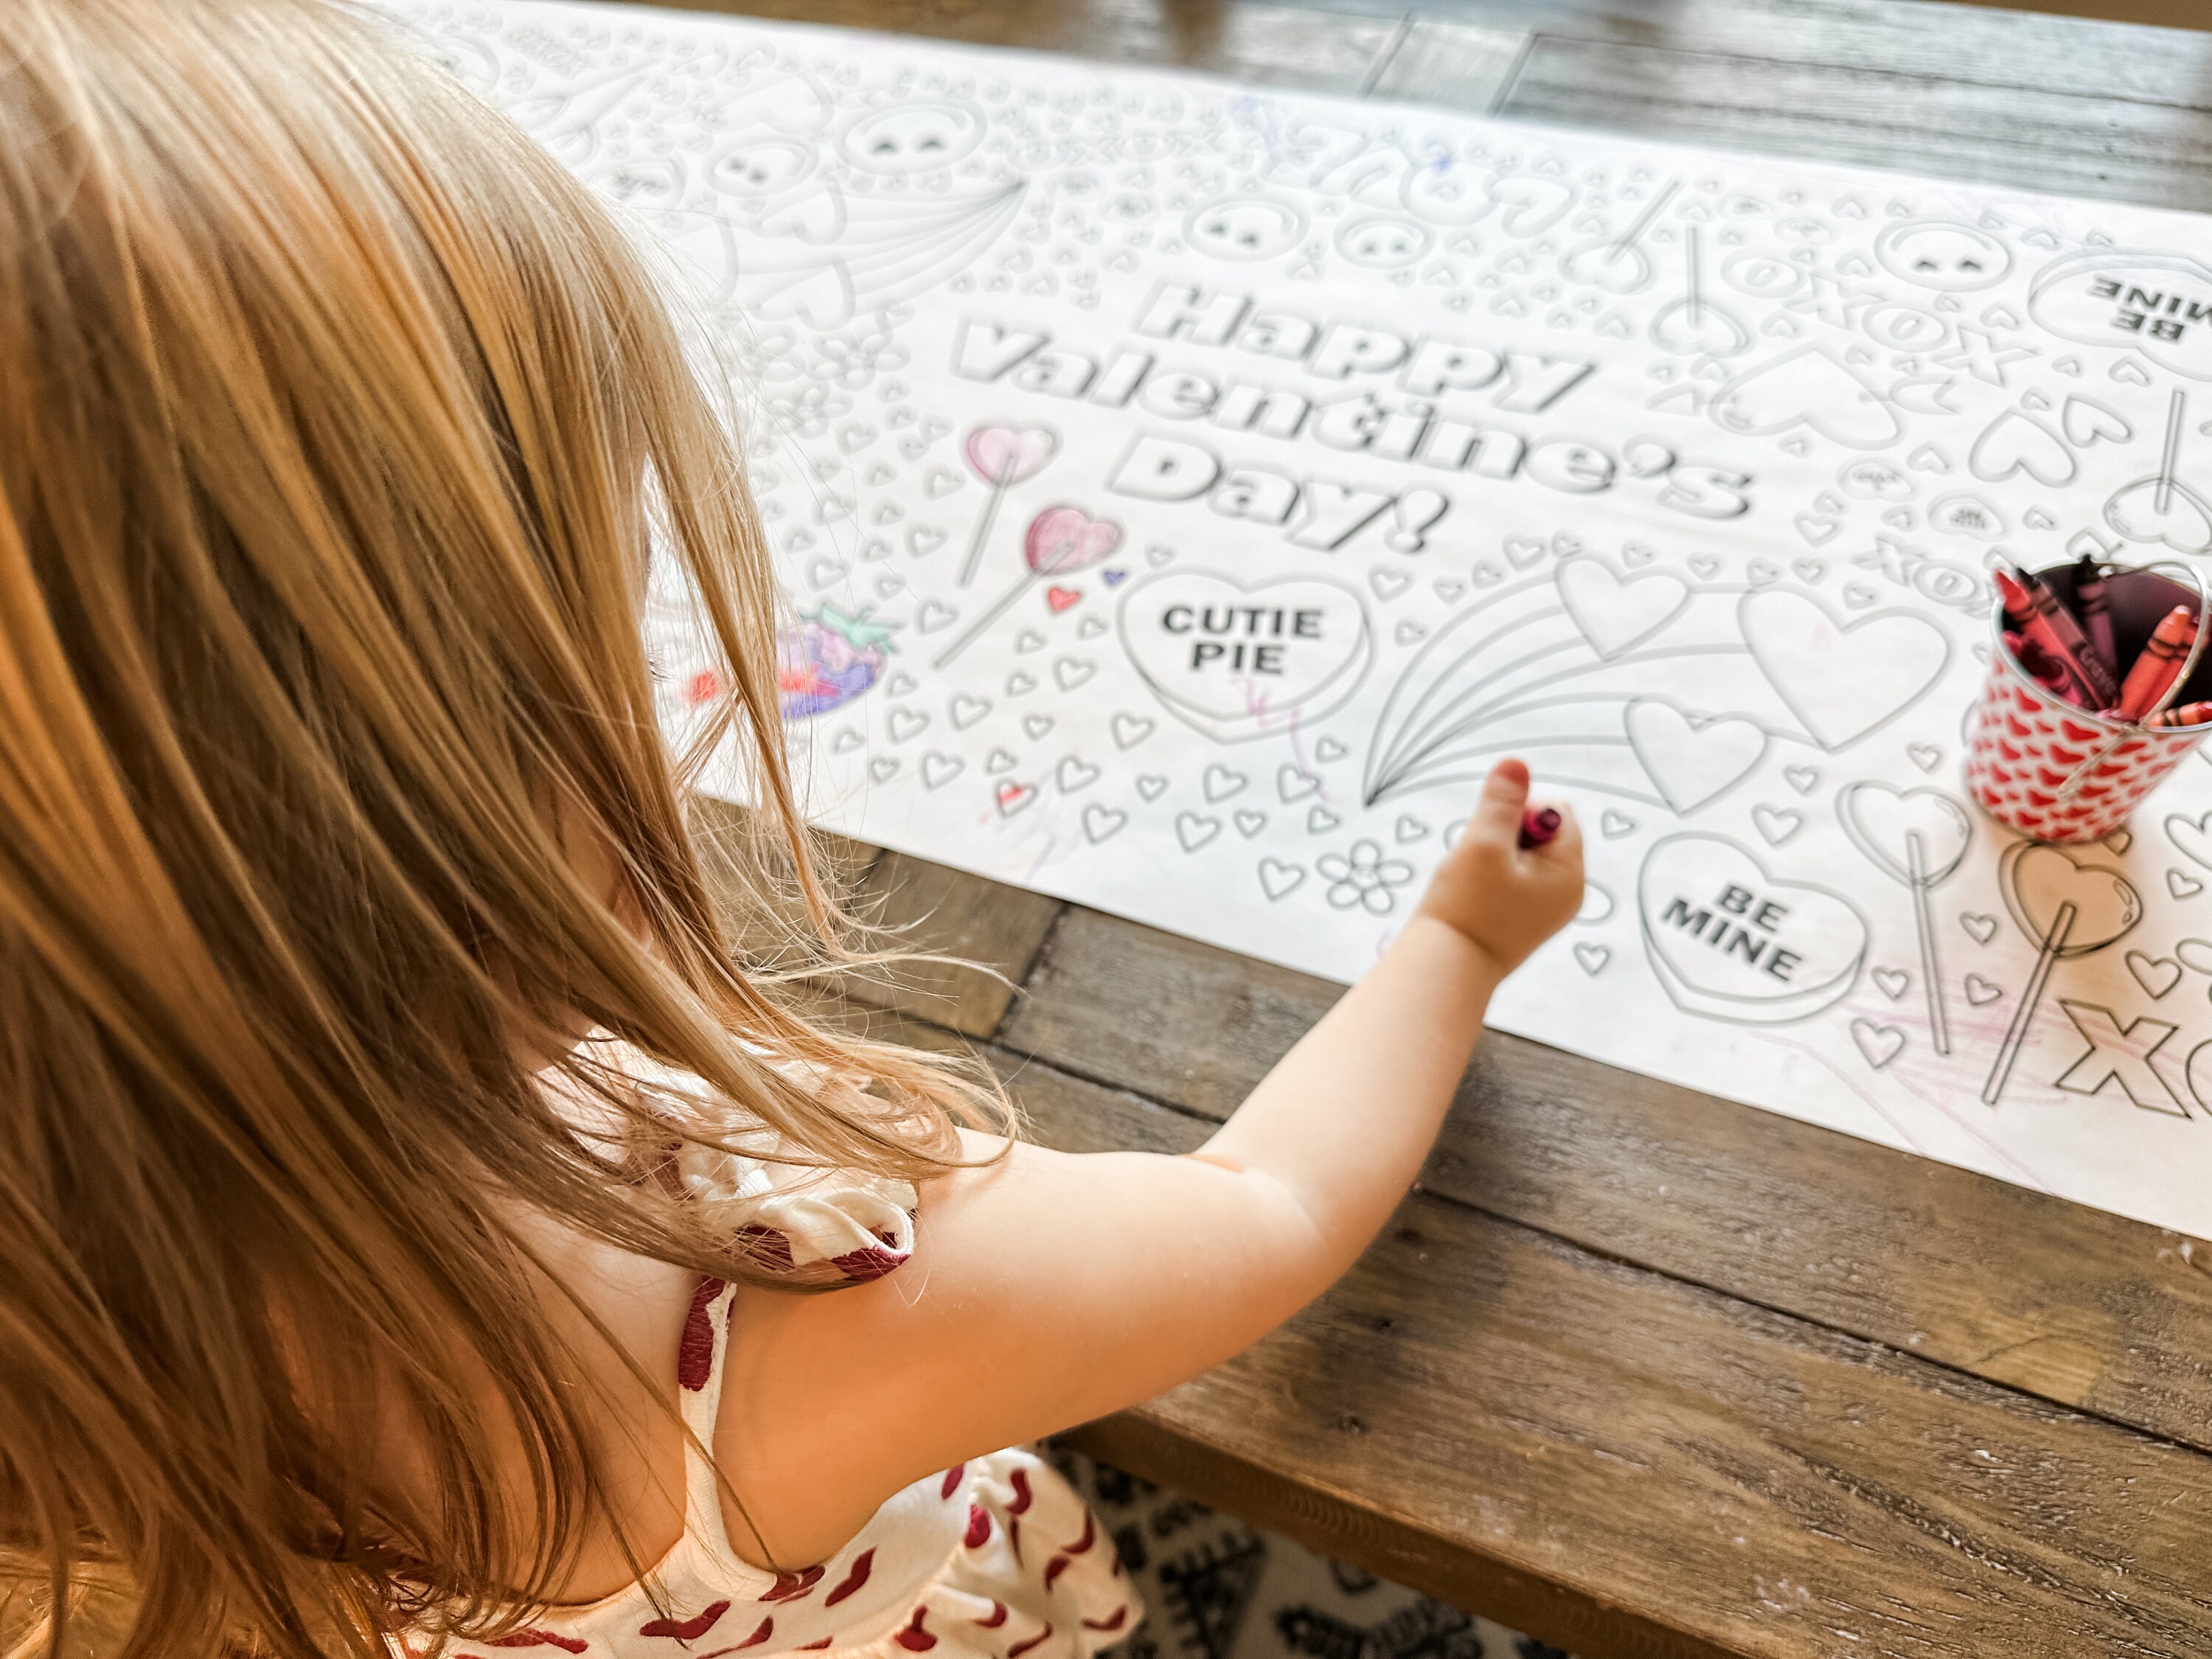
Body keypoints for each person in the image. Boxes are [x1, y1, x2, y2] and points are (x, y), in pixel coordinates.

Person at [0, 1, 1585, 1655]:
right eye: (597, 612)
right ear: (419, 809)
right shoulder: (812, 1319)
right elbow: (1268, 1208)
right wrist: (1458, 945)